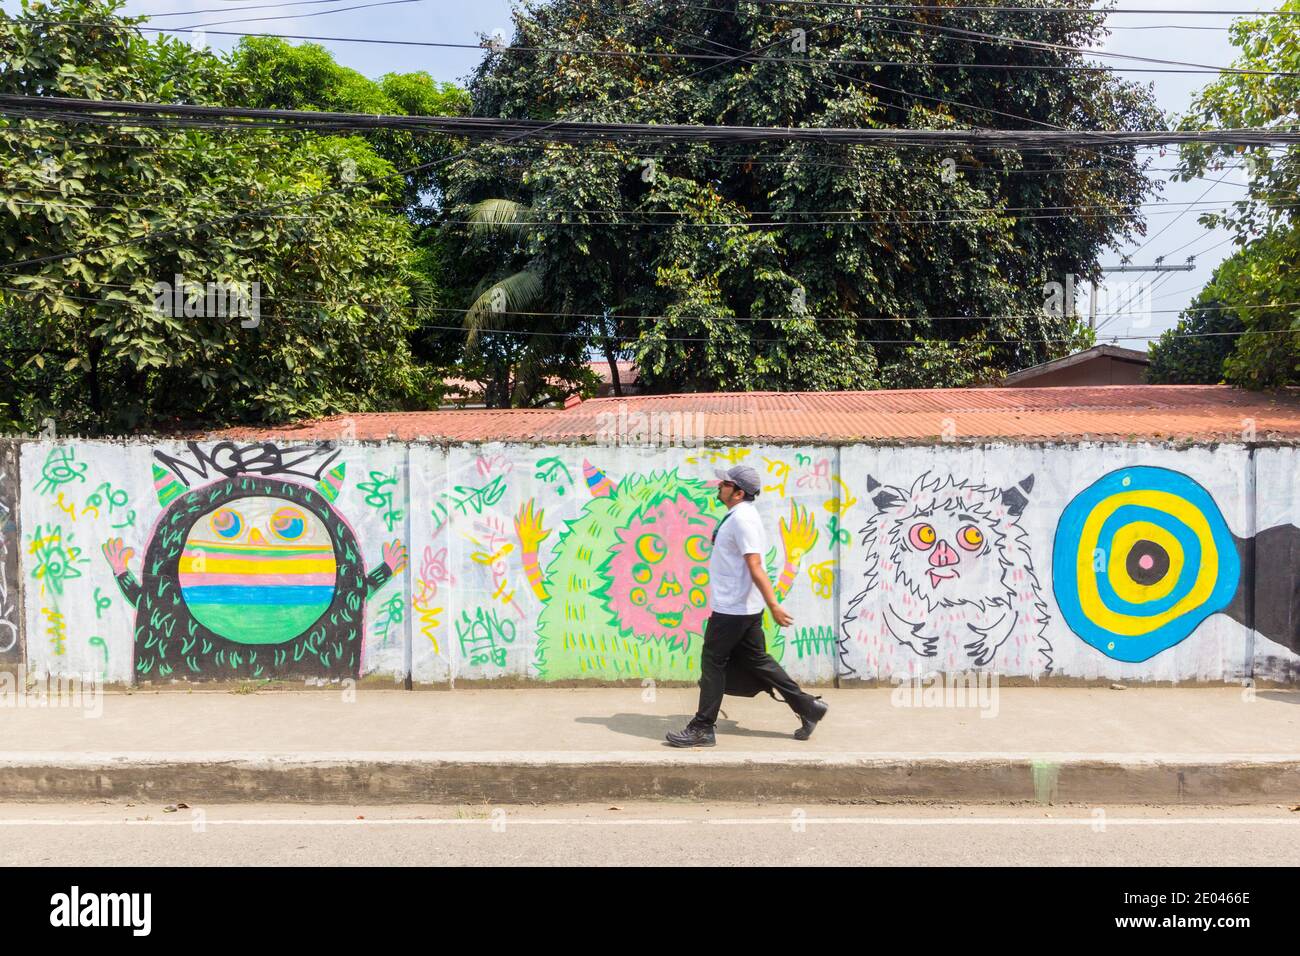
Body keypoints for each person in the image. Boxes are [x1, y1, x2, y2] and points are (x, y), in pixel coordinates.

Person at [666, 464, 829, 747]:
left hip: (733, 609)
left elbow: (755, 566)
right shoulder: (738, 516)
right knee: (758, 662)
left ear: (739, 492)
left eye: (725, 484)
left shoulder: (743, 520)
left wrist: (774, 604)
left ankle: (703, 727)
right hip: (741, 607)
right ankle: (808, 708)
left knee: (713, 662)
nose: (719, 486)